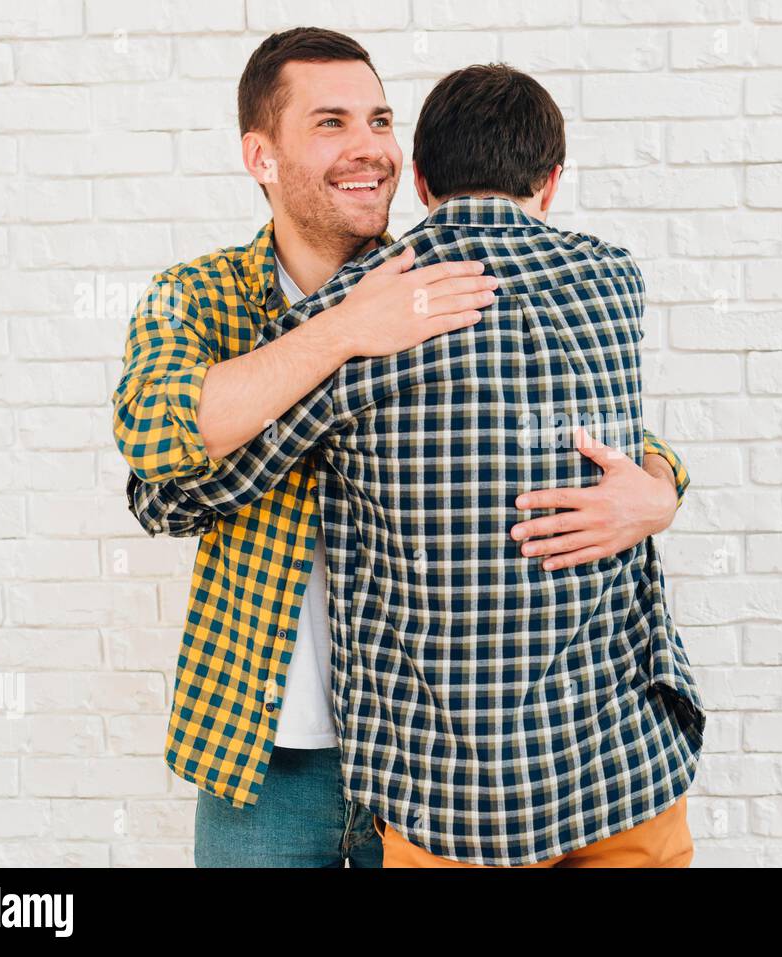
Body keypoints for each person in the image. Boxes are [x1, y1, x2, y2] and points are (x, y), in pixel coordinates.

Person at [113, 29, 691, 867]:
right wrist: (347, 331)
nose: (367, 148)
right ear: (260, 155)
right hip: (266, 755)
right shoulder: (196, 295)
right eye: (330, 123)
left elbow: (603, 428)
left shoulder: (447, 282)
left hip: (431, 760)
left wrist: (661, 490)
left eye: (381, 121)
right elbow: (159, 455)